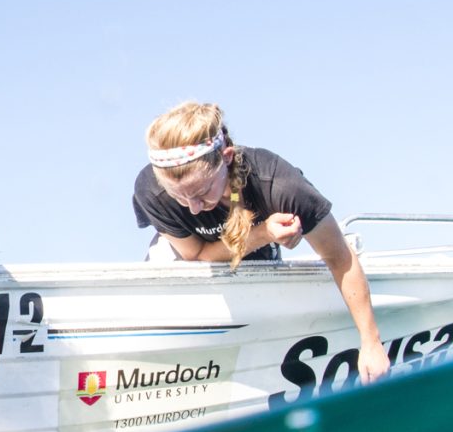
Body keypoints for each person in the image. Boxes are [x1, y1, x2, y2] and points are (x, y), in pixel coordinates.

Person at [133, 101, 391, 383]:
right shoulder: (151, 191)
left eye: (202, 192)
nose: (193, 208)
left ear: (226, 157)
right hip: (188, 259)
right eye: (179, 197)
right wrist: (262, 233)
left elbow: (339, 258)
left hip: (253, 261)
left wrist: (371, 342)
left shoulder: (281, 186)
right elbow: (197, 256)